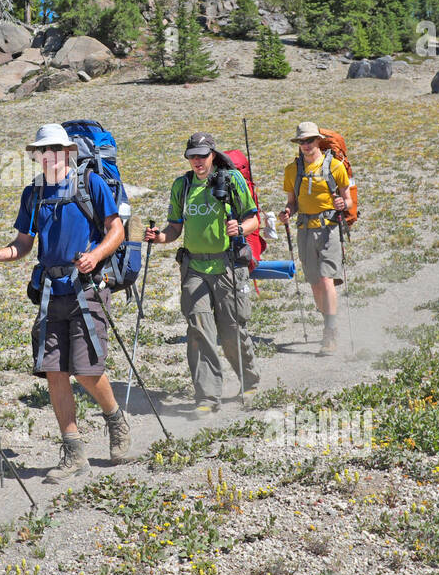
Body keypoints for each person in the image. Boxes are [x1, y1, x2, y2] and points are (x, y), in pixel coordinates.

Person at [0, 124, 132, 483]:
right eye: (41, 151)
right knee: (54, 369)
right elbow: (23, 242)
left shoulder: (90, 184)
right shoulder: (33, 192)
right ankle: (73, 450)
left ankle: (114, 418)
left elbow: (117, 230)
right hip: (51, 290)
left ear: (67, 152)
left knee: (86, 369)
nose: (48, 156)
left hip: (88, 287)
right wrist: (1, 254)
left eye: (54, 149)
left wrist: (95, 257)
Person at [143, 132, 260, 413]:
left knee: (232, 330)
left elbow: (253, 219)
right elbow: (174, 228)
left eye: (202, 155)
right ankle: (207, 397)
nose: (197, 161)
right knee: (199, 330)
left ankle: (249, 380)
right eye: (192, 156)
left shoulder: (232, 181)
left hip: (227, 266)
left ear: (212, 155)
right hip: (193, 267)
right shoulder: (181, 186)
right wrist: (159, 237)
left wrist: (240, 229)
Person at [277, 121, 349, 355]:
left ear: (318, 140)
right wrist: (287, 212)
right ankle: (328, 317)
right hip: (305, 229)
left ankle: (330, 331)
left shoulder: (335, 166)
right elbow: (292, 202)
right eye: (301, 142)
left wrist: (341, 203)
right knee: (316, 285)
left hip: (329, 229)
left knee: (327, 279)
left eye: (309, 140)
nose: (305, 145)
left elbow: (347, 200)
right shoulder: (292, 170)